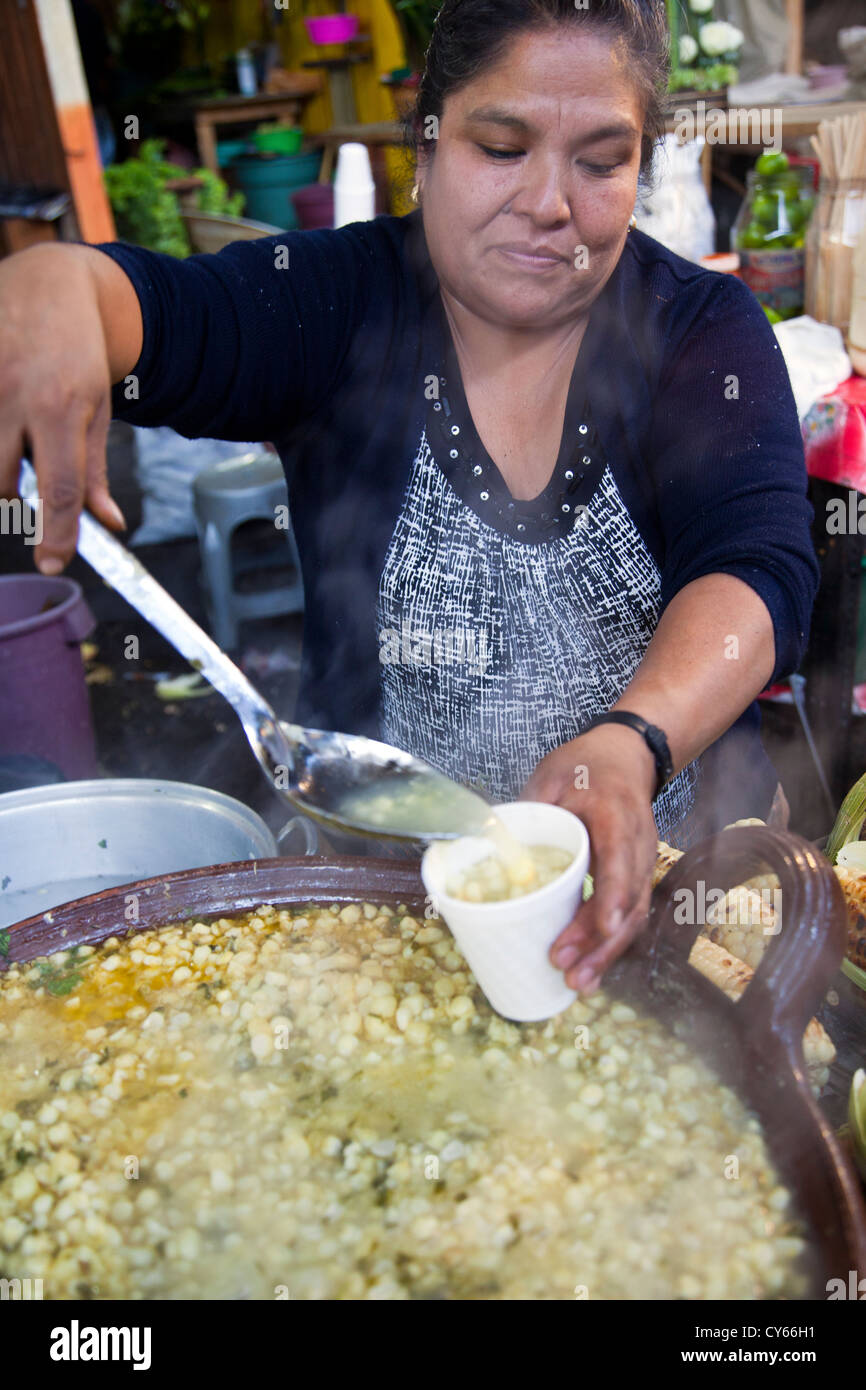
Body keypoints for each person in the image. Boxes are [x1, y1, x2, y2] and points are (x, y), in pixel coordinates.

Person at [0, 0, 818, 995]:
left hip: (670, 895)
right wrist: (49, 286)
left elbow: (756, 568)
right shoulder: (335, 303)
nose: (548, 202)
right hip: (385, 916)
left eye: (599, 161)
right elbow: (143, 311)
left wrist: (632, 739)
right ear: (422, 150)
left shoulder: (699, 330)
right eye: (500, 146)